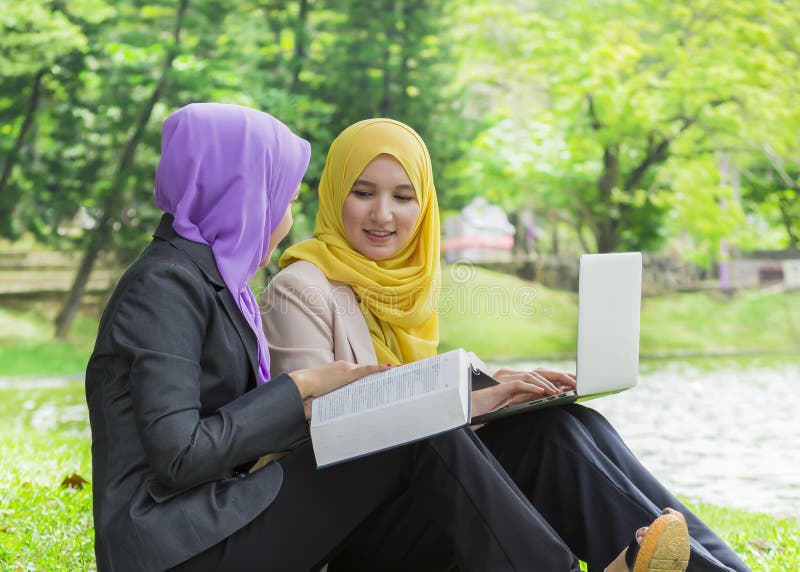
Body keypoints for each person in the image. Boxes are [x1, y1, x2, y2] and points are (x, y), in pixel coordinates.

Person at [85, 103, 679, 572]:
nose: (287, 217)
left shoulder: (209, 280)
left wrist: (468, 396)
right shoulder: (163, 287)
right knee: (410, 425)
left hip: (218, 522)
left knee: (424, 423)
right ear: (237, 194)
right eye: (283, 198)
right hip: (177, 548)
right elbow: (181, 456)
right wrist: (299, 390)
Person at [262, 118, 750, 572]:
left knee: (564, 420)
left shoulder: (407, 289)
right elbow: (317, 438)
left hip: (421, 495)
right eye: (363, 192)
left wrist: (493, 390)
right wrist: (467, 403)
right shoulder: (301, 288)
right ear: (334, 195)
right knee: (545, 441)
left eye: (403, 196)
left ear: (425, 205)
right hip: (351, 531)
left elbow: (415, 410)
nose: (383, 214)